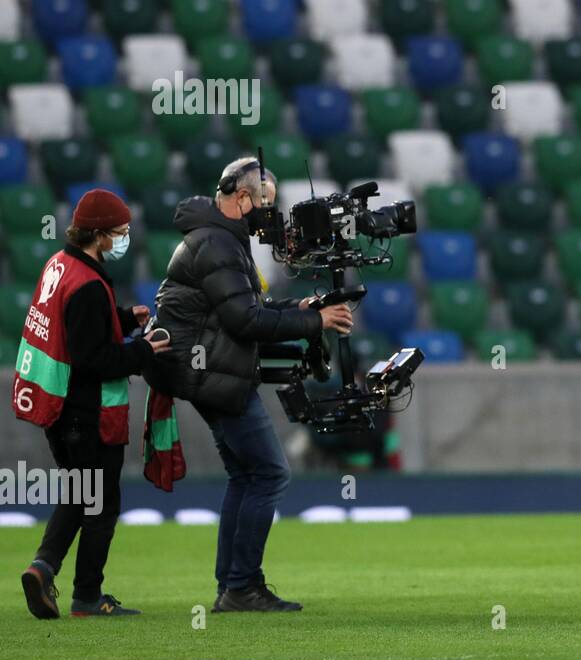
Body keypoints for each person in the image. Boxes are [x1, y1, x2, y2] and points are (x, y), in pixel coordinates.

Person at [152, 158, 354, 612]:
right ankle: (241, 587)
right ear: (242, 198)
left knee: (246, 475)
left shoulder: (218, 238)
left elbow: (245, 306)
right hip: (213, 374)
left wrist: (300, 307)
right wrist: (313, 320)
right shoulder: (219, 245)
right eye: (266, 203)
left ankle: (234, 586)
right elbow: (244, 320)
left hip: (207, 370)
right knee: (269, 473)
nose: (271, 213)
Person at [16, 188, 170, 618]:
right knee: (101, 506)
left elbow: (77, 330)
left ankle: (42, 568)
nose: (123, 238)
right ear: (98, 234)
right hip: (87, 412)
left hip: (61, 407)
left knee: (80, 494)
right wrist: (143, 351)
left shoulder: (61, 265)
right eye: (118, 232)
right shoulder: (86, 283)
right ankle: (87, 596)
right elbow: (93, 359)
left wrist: (121, 318)